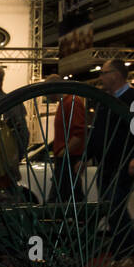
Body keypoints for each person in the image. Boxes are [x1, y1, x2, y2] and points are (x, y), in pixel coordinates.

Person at [91, 60, 134, 267]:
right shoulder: (106, 100)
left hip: (123, 162)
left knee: (115, 207)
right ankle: (121, 254)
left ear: (116, 74)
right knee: (111, 208)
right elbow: (97, 130)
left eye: (104, 73)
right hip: (105, 163)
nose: (101, 77)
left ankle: (128, 254)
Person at [46, 73, 86, 203]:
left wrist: (64, 152)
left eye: (46, 91)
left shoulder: (72, 102)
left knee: (58, 199)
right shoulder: (65, 103)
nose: (45, 95)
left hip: (69, 158)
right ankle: (82, 221)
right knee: (71, 197)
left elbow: (79, 133)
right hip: (67, 157)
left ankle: (82, 220)